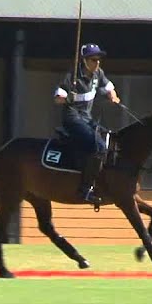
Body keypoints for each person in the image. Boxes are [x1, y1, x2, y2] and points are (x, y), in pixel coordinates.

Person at [53, 43, 121, 205]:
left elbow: (109, 87)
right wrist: (69, 97)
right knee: (99, 146)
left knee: (109, 140)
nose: (97, 63)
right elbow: (57, 98)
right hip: (73, 119)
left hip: (87, 118)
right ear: (84, 61)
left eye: (99, 60)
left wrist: (113, 96)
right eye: (93, 59)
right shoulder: (72, 76)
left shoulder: (98, 74)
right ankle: (85, 189)